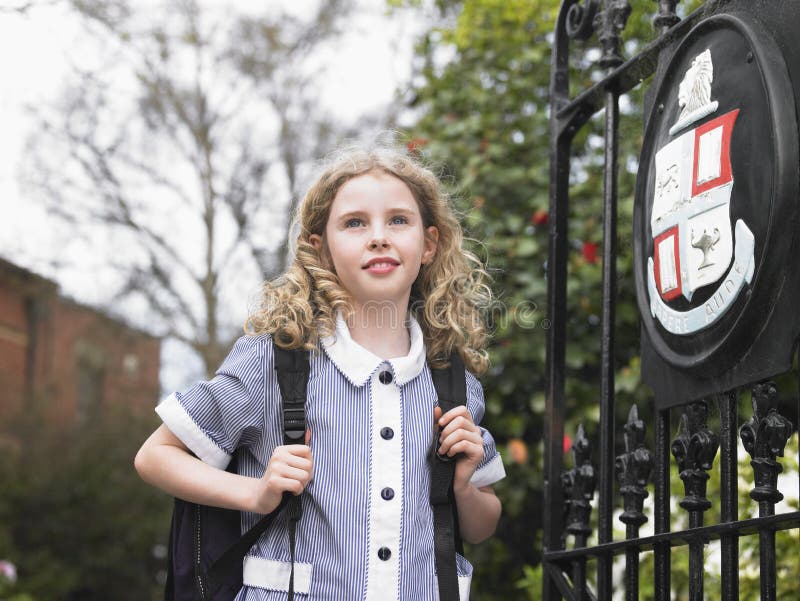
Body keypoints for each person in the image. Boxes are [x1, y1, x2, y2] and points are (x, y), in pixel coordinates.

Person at [134, 143, 505, 600]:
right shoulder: (274, 363)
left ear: (428, 244)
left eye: (398, 220)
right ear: (322, 249)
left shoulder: (454, 384)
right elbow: (154, 456)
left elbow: (482, 525)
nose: (378, 237)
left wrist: (465, 485)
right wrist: (256, 492)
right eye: (354, 223)